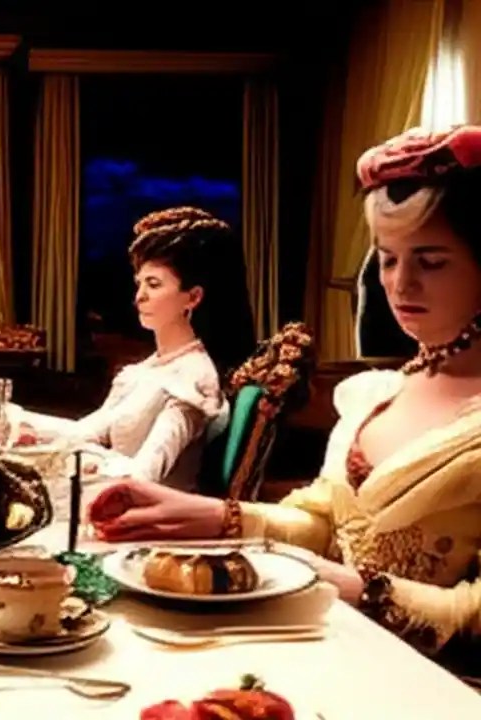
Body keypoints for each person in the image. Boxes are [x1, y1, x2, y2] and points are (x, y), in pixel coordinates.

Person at [89, 125, 481, 669]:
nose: (399, 284)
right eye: (388, 259)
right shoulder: (380, 394)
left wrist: (350, 586)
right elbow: (321, 523)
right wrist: (210, 515)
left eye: (431, 261)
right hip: (332, 649)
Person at [62, 206, 257, 491]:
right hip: (114, 489)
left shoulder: (192, 377)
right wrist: (19, 423)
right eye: (139, 284)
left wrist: (96, 462)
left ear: (193, 297)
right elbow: (86, 431)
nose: (139, 296)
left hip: (147, 507)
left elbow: (144, 475)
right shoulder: (148, 369)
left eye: (153, 285)